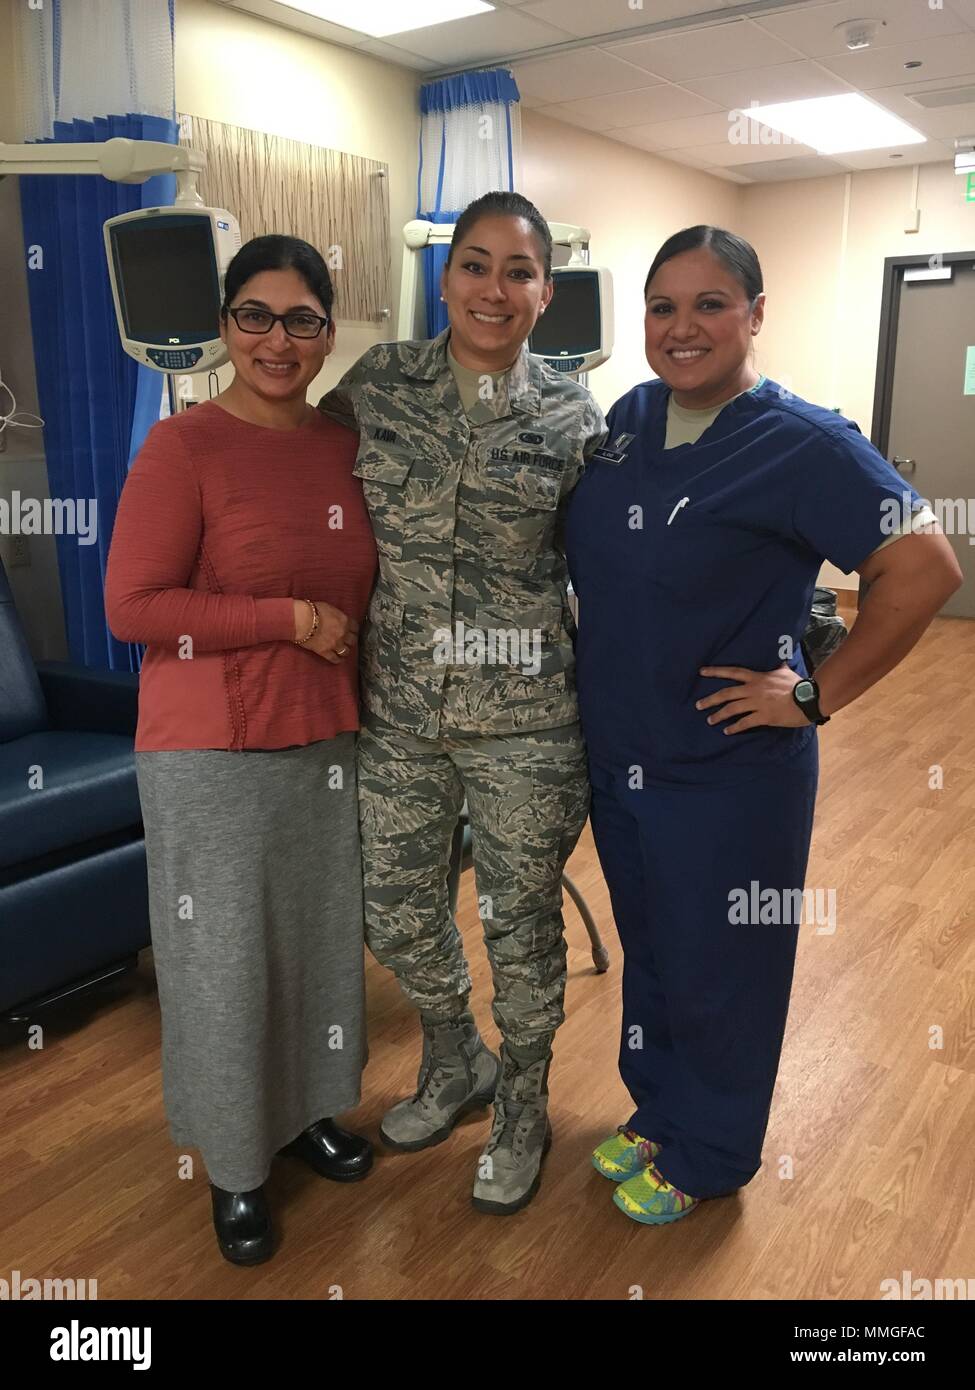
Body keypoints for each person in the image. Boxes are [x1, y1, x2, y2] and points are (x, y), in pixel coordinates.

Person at [564, 225, 961, 1225]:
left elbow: (922, 570)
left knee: (723, 965)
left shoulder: (806, 442)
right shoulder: (628, 418)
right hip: (625, 754)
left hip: (732, 766)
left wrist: (816, 694)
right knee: (653, 949)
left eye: (710, 304)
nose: (682, 327)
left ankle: (711, 1150)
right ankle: (661, 1111)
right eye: (663, 307)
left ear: (755, 314)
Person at [319, 191, 607, 1214]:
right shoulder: (377, 386)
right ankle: (455, 1058)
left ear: (545, 291)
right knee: (394, 911)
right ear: (444, 279)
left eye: (518, 272)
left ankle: (524, 1097)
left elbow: (622, 562)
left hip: (528, 721)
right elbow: (301, 490)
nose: (495, 289)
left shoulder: (575, 416)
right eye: (475, 265)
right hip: (401, 709)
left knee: (521, 923)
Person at [105, 235, 378, 1263]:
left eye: (302, 319)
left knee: (311, 944)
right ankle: (235, 1164)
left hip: (324, 735)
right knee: (223, 961)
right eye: (255, 316)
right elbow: (132, 606)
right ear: (225, 327)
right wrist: (286, 618)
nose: (278, 339)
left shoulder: (340, 443)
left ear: (326, 334)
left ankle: (307, 1111)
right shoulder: (183, 447)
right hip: (208, 747)